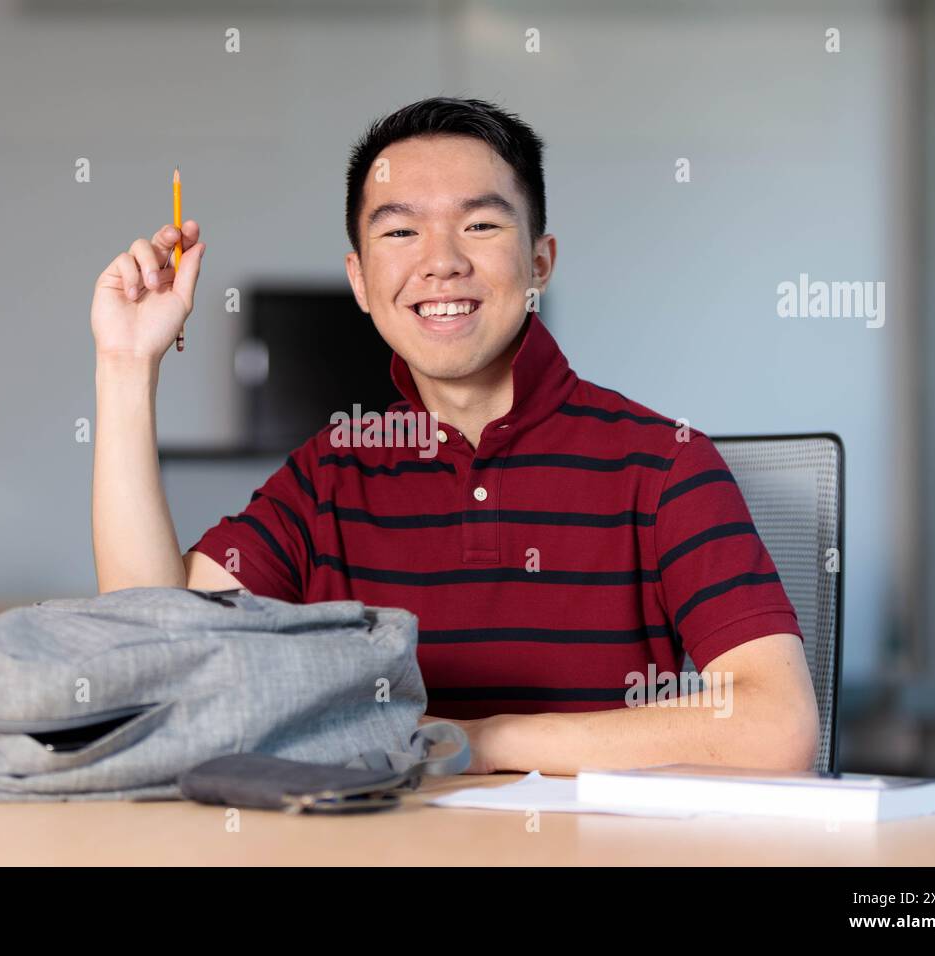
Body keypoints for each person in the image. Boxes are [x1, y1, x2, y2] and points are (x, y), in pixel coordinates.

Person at [89, 97, 818, 775]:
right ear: (362, 282)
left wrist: (474, 739)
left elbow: (775, 725)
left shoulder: (665, 464)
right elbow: (157, 640)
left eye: (480, 224)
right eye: (401, 231)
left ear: (539, 263)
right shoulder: (329, 473)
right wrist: (126, 365)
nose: (442, 261)